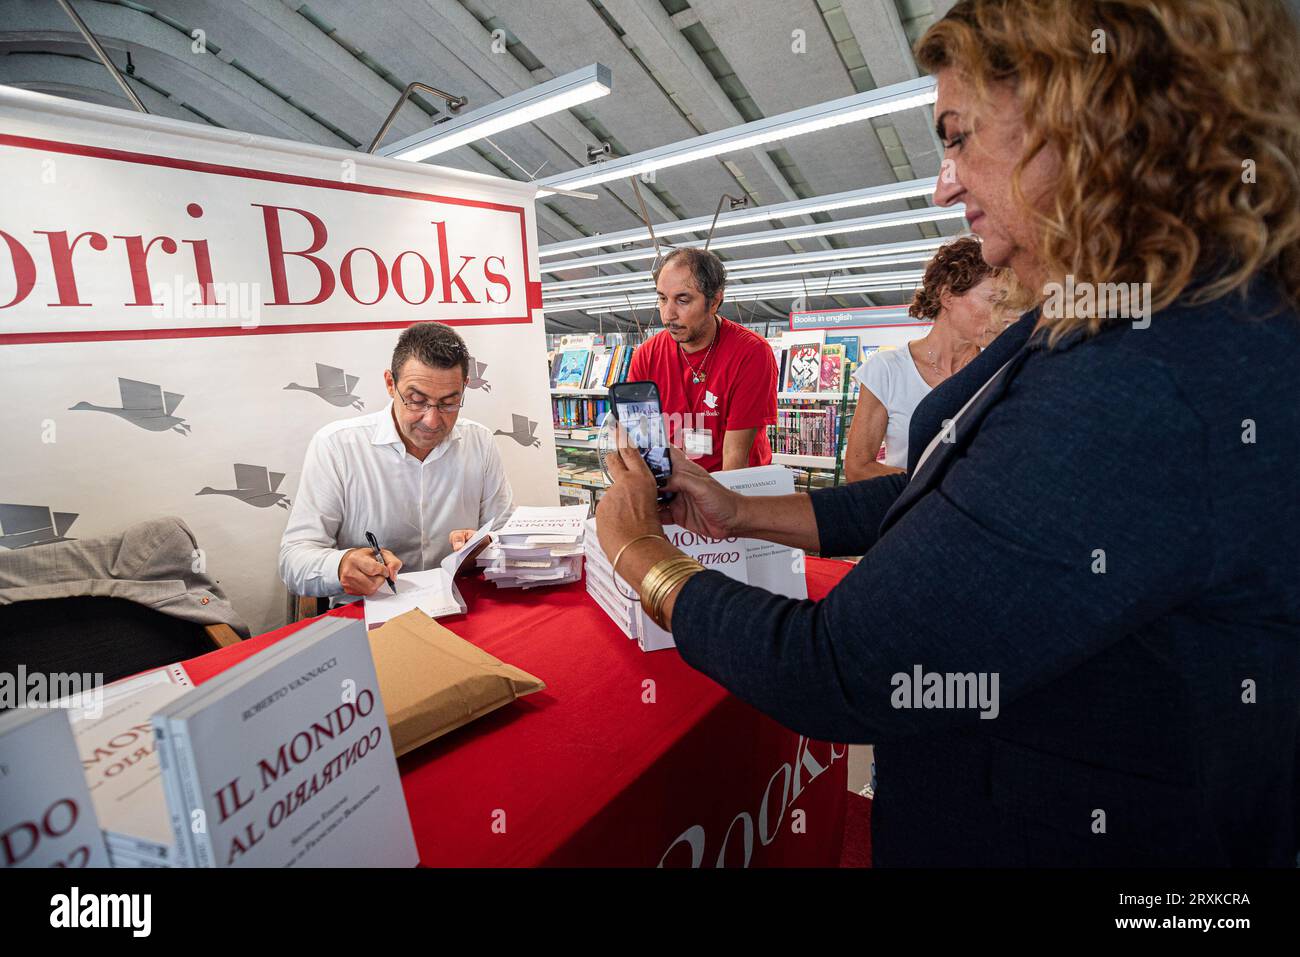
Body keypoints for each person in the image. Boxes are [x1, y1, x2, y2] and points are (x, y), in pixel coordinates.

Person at [595, 0, 1300, 866]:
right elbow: (955, 488)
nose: (943, 182)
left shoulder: (1148, 376)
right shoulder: (1123, 311)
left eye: (958, 135)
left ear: (1085, 117)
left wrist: (638, 553)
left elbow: (843, 669)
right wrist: (739, 513)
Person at [279, 322, 512, 599]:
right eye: (416, 400)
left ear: (464, 388)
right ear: (391, 384)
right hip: (370, 615)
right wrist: (340, 565)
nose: (432, 420)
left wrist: (486, 545)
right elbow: (293, 559)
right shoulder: (337, 446)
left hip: (461, 603)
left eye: (449, 403)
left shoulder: (480, 441)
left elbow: (505, 534)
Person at [844, 237, 1011, 481]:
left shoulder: (1000, 372)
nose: (1004, 315)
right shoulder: (887, 371)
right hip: (908, 514)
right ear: (948, 296)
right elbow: (857, 469)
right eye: (994, 300)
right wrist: (944, 483)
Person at [628, 247, 778, 472]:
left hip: (734, 490)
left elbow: (735, 457)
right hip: (674, 488)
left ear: (715, 301)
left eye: (683, 300)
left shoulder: (751, 353)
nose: (668, 314)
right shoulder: (646, 355)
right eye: (662, 299)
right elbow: (642, 443)